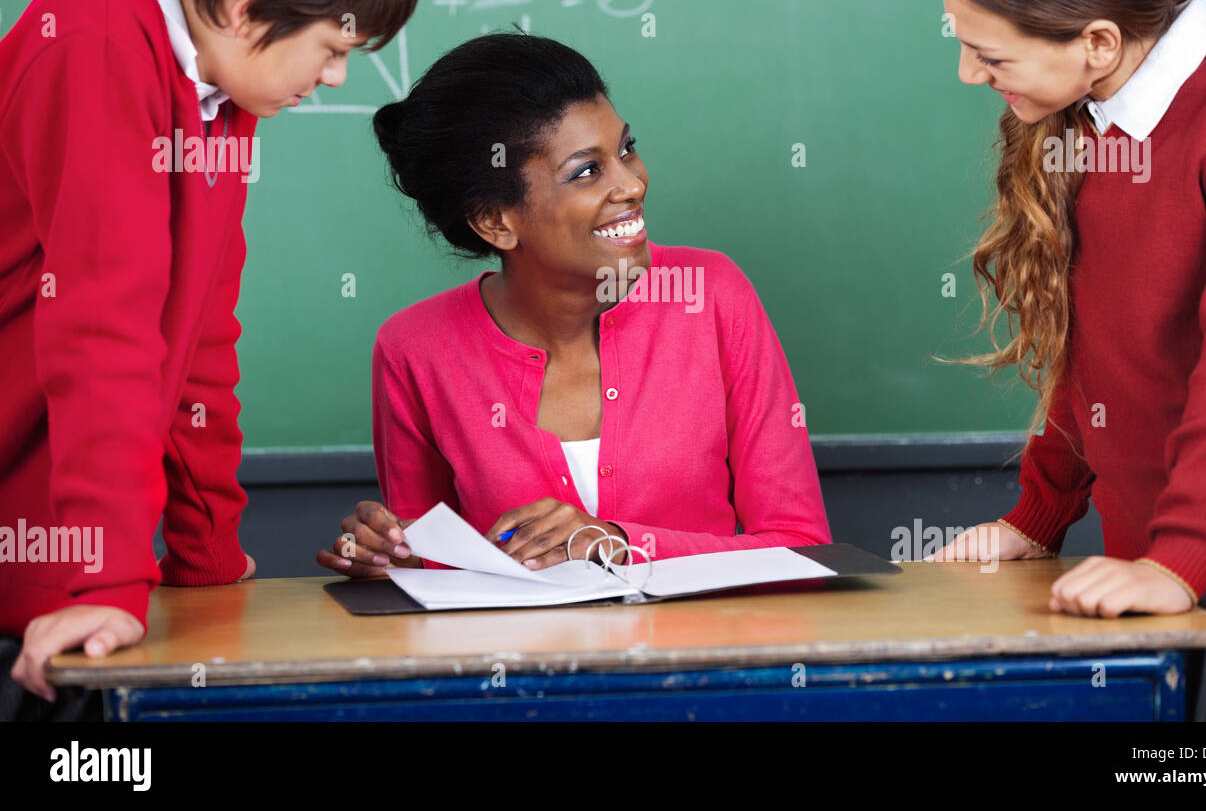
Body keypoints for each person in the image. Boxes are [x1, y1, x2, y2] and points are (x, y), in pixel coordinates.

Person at [0, 0, 423, 711]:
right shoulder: (97, 45)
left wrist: (205, 549)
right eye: (334, 47)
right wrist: (106, 582)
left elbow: (197, 329)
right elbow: (101, 330)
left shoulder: (220, 87)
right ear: (246, 5)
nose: (337, 76)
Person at [927, 0, 1206, 720]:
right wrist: (1039, 514)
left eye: (988, 54)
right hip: (1154, 564)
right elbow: (1098, 343)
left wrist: (1178, 559)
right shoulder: (1091, 124)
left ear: (1097, 41)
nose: (967, 74)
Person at [316, 32, 831, 578]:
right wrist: (392, 558)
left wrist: (614, 545)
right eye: (587, 171)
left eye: (626, 149)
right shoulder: (415, 348)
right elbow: (434, 566)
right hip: (514, 664)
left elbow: (800, 547)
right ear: (496, 221)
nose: (631, 184)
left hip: (703, 656)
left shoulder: (712, 294)